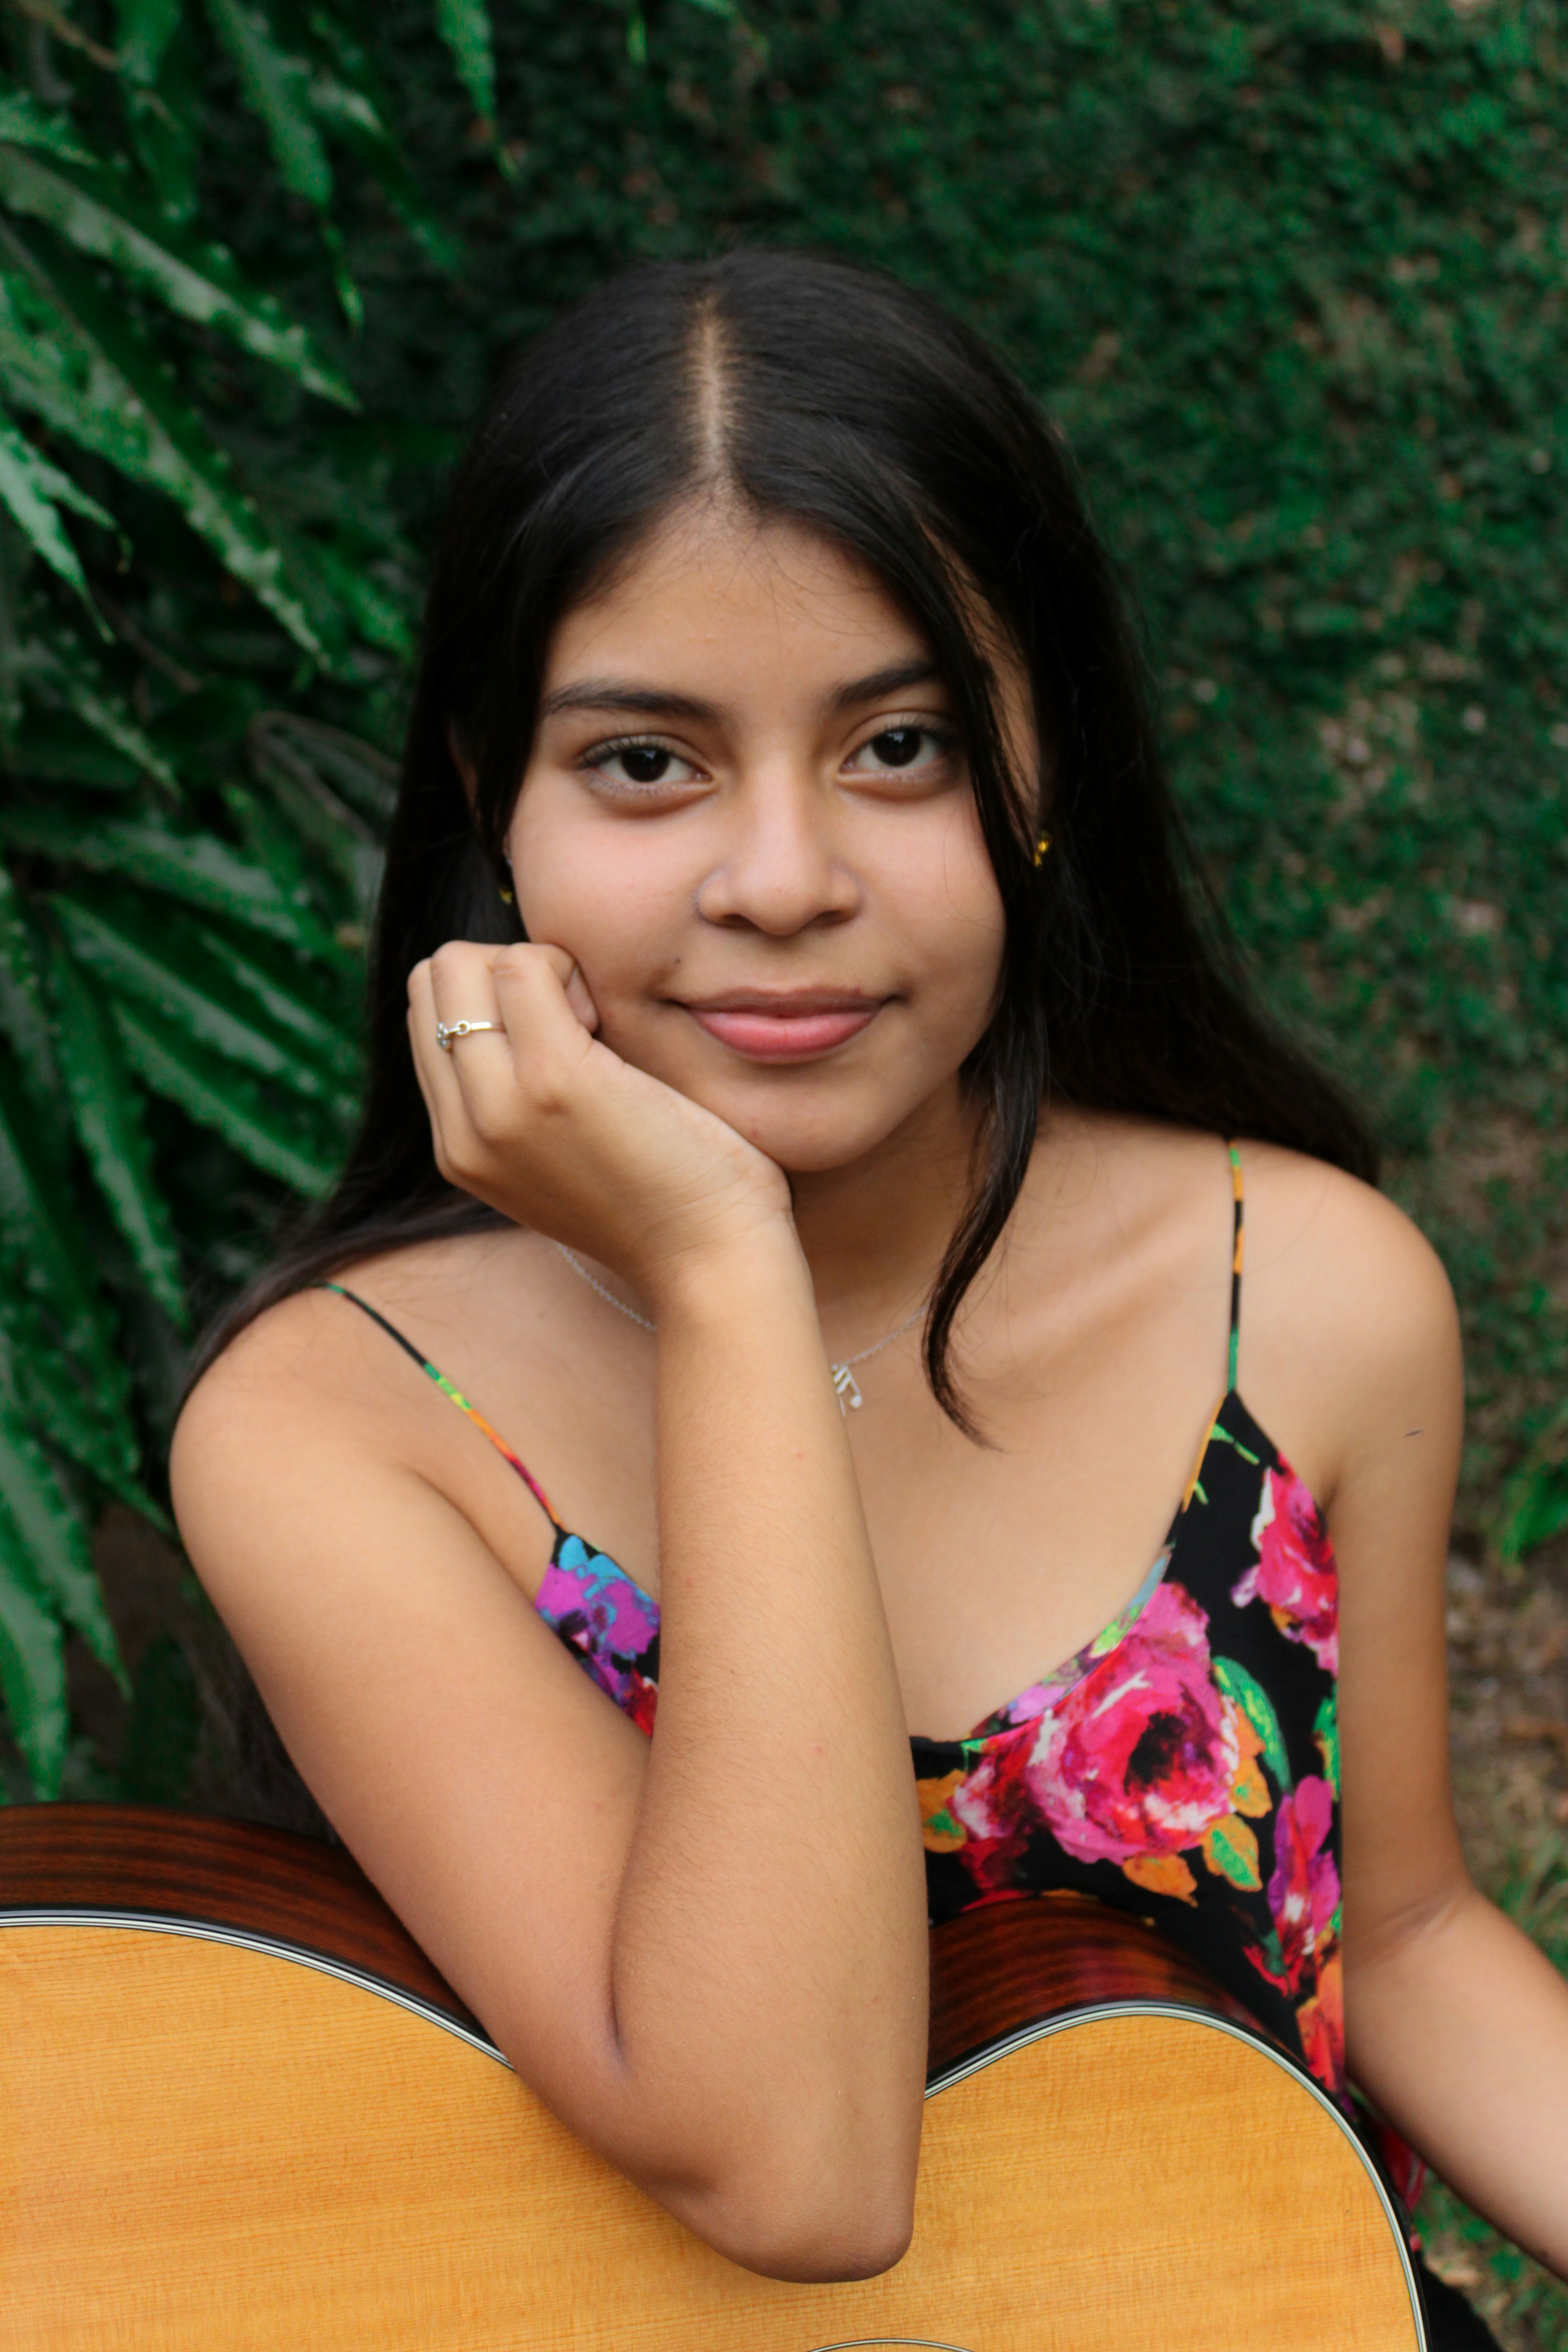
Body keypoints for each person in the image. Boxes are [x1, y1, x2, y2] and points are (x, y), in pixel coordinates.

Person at [172, 250, 1566, 2343]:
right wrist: (724, 1273)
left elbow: (1419, 1930)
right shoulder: (334, 1429)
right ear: (490, 791)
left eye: (898, 745)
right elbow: (793, 2158)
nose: (783, 878)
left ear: (1042, 767)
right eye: (648, 764)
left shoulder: (1307, 1304)